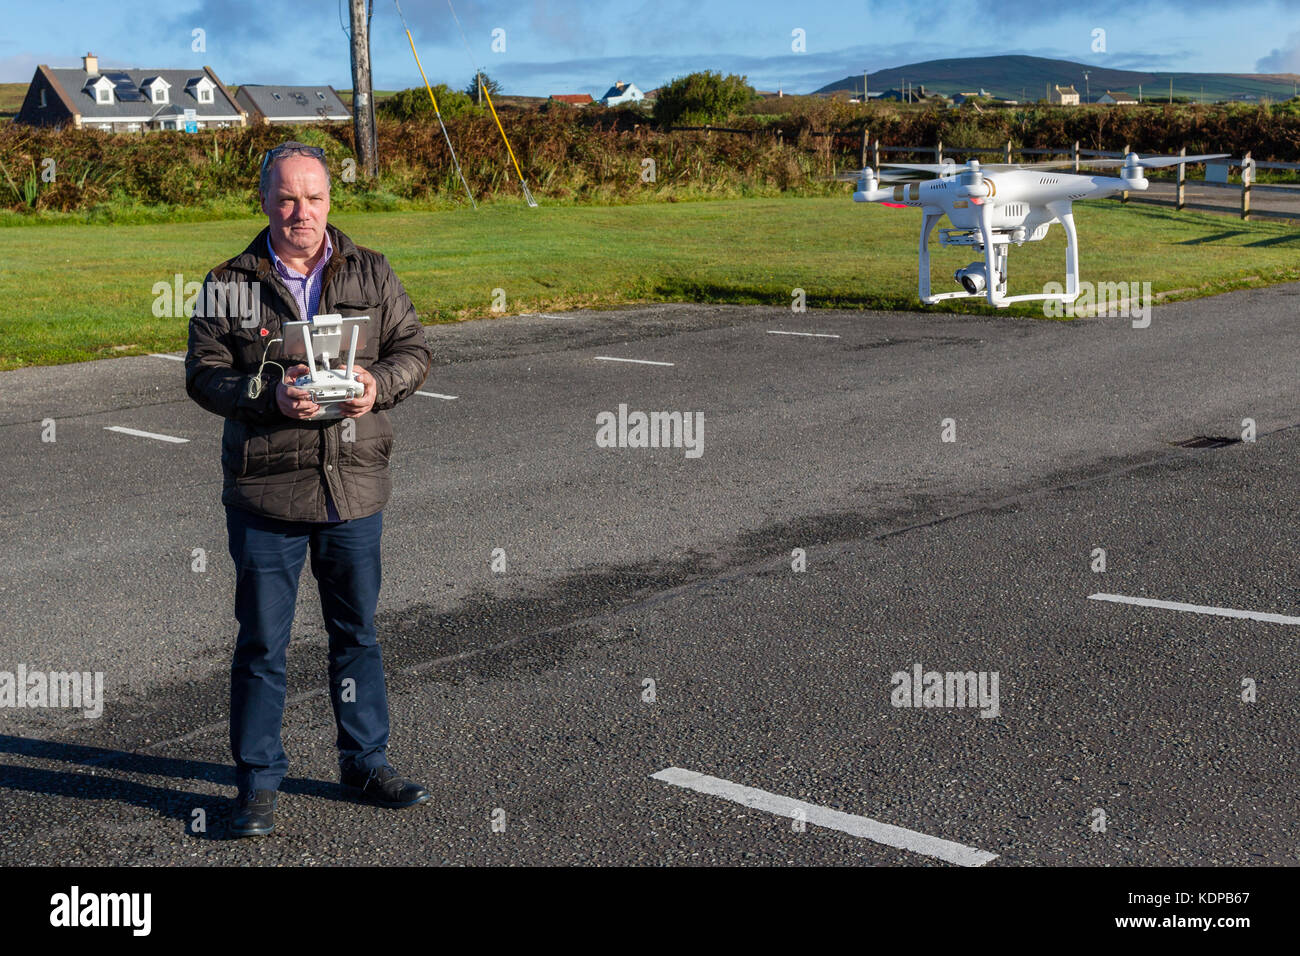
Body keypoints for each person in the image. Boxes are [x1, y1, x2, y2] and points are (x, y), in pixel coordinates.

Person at [185, 141, 434, 837]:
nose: (301, 212)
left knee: (356, 633)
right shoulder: (230, 281)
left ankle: (365, 761)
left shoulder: (372, 270)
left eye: (314, 197)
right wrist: (269, 396)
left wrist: (376, 386)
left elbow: (415, 351)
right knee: (263, 643)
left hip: (353, 489)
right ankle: (258, 782)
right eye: (287, 198)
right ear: (263, 201)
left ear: (332, 200)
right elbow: (204, 374)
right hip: (267, 496)